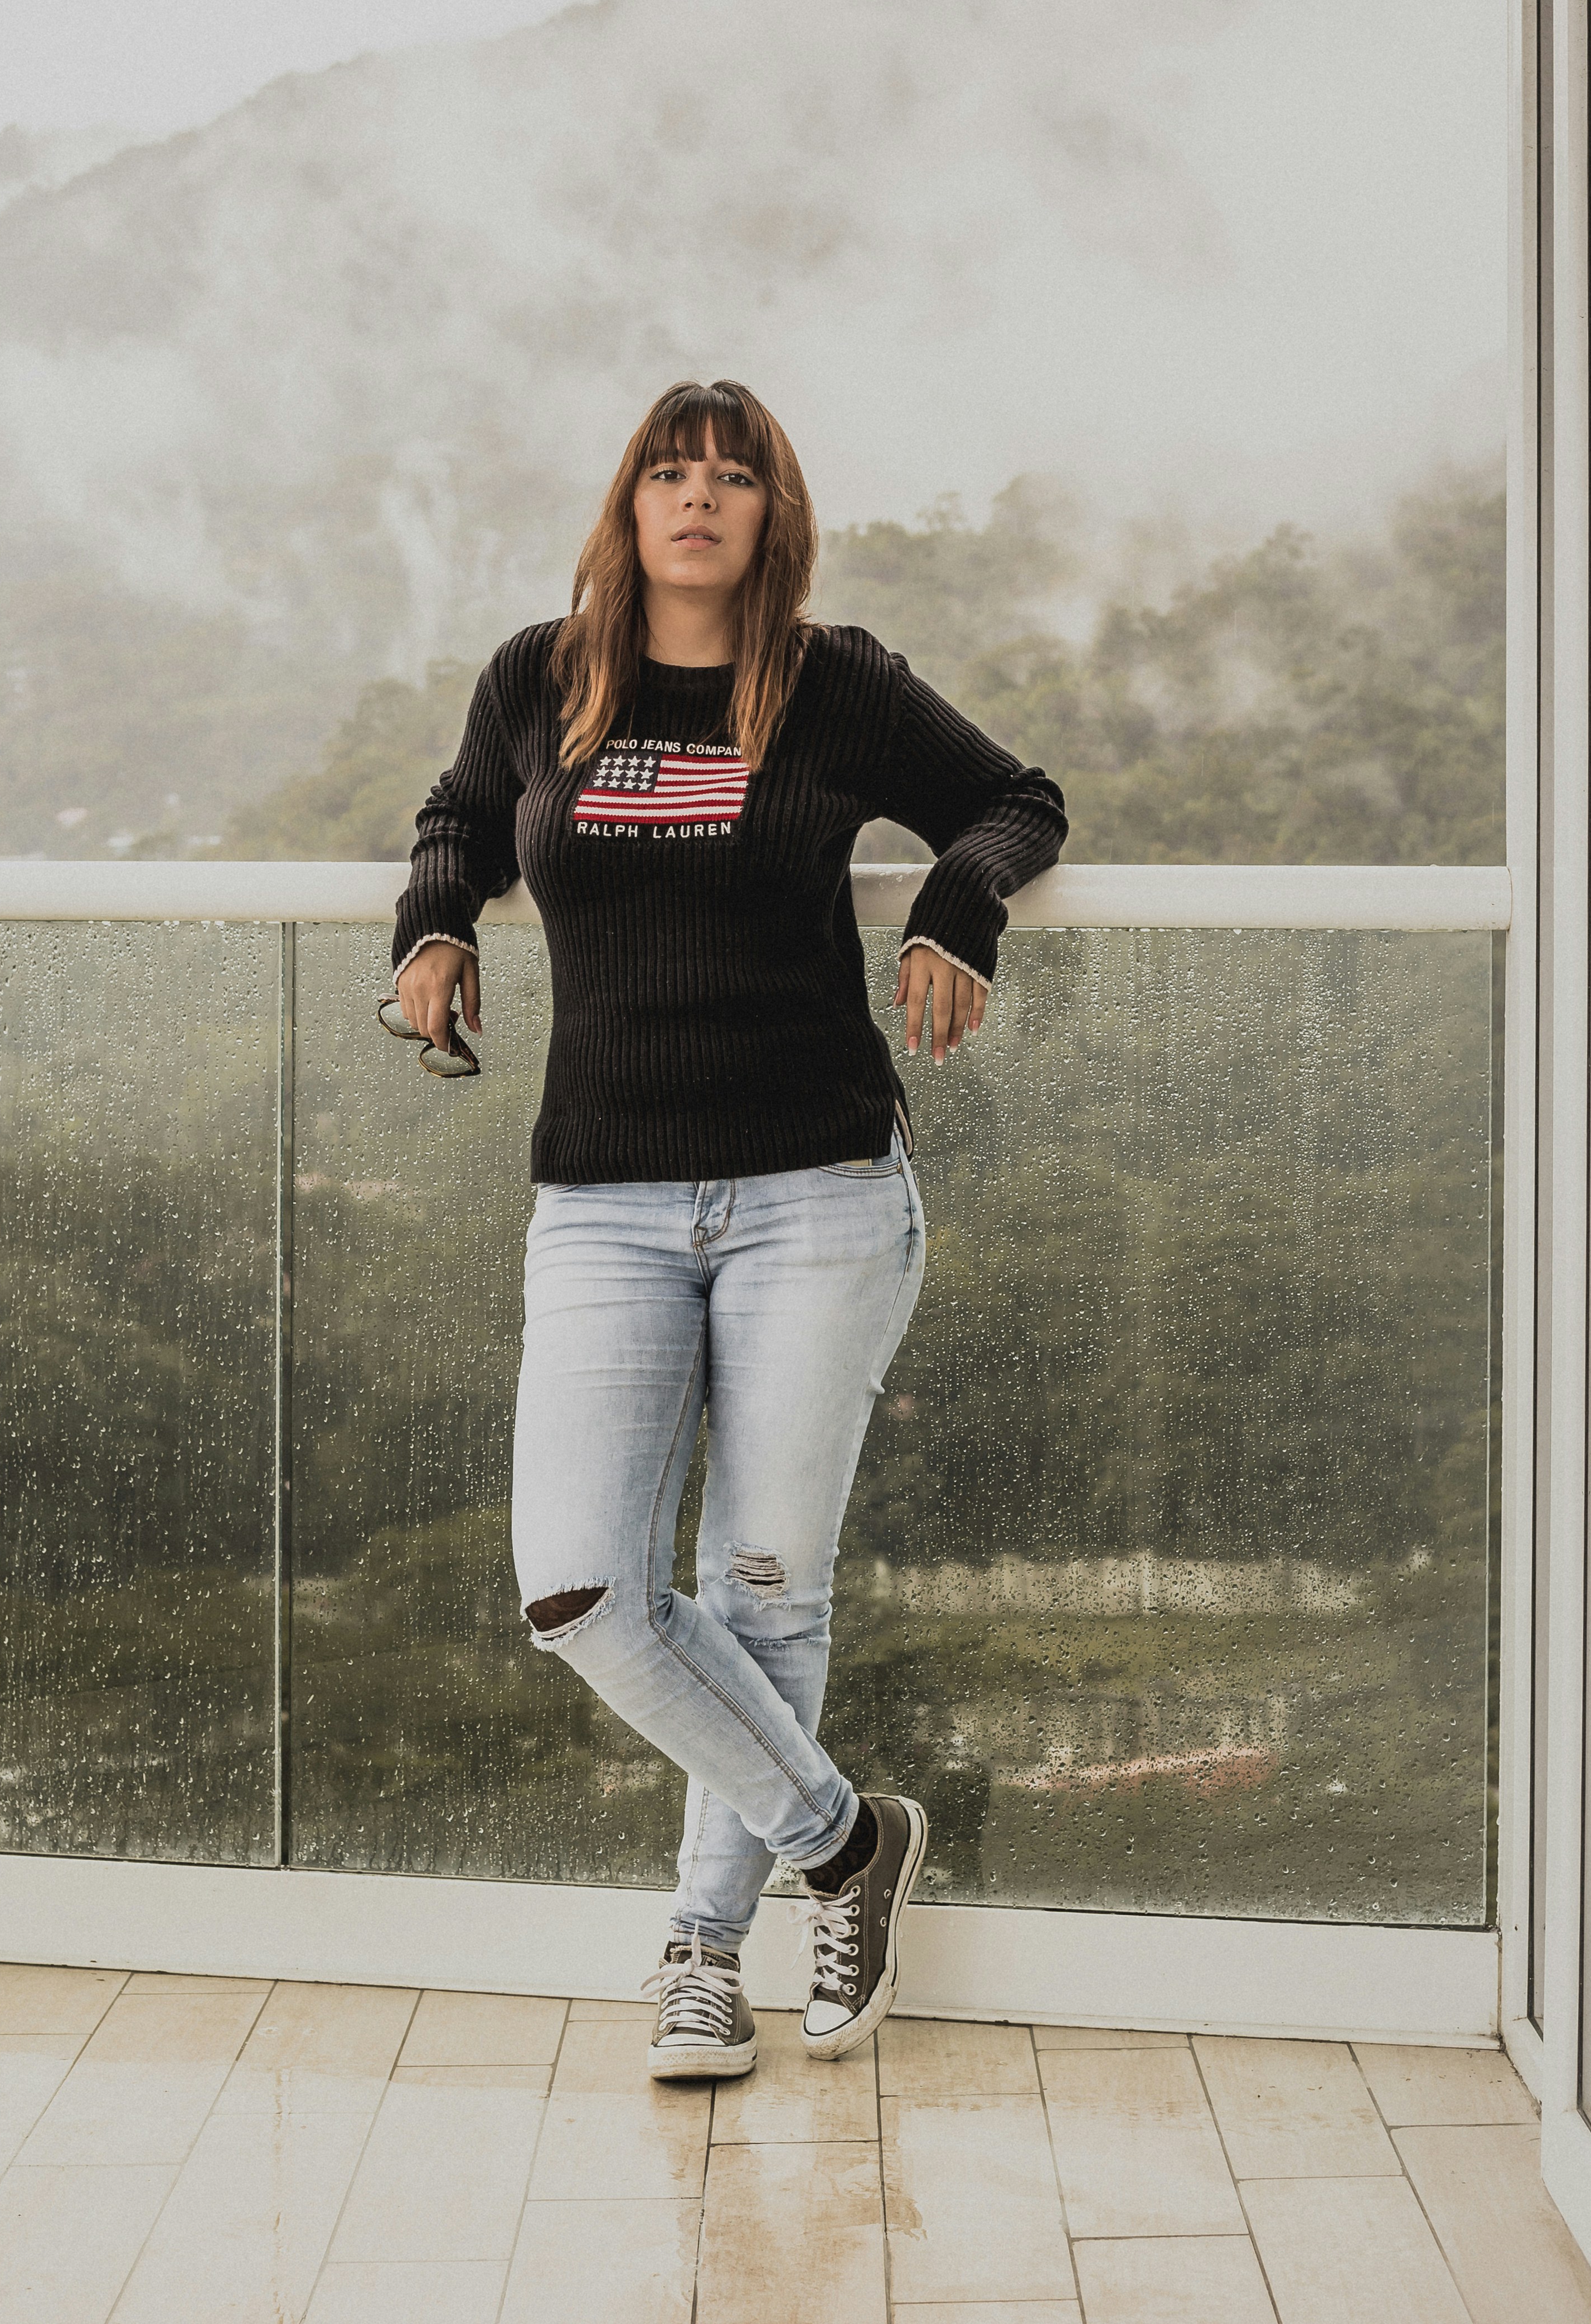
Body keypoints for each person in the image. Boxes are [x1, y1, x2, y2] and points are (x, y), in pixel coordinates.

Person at [391, 378, 1065, 2079]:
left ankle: (703, 1950)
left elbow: (1017, 800)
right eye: (669, 474)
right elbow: (465, 815)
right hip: (605, 1201)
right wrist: (431, 924)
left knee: (761, 1588)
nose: (698, 500)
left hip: (816, 1193)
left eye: (731, 478)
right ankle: (849, 1845)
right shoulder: (543, 675)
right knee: (580, 1583)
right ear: (629, 505)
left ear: (774, 514)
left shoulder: (833, 685)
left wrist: (958, 904)